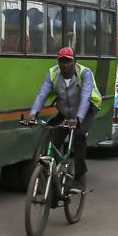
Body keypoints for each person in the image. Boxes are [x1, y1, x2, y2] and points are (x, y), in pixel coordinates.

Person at [26, 47, 101, 191]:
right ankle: (56, 172)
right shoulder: (53, 73)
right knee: (52, 135)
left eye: (68, 61)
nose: (65, 65)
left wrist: (78, 118)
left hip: (85, 110)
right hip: (65, 111)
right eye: (62, 61)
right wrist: (33, 114)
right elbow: (42, 94)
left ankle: (79, 175)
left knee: (79, 136)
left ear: (75, 61)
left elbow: (85, 97)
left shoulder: (85, 73)